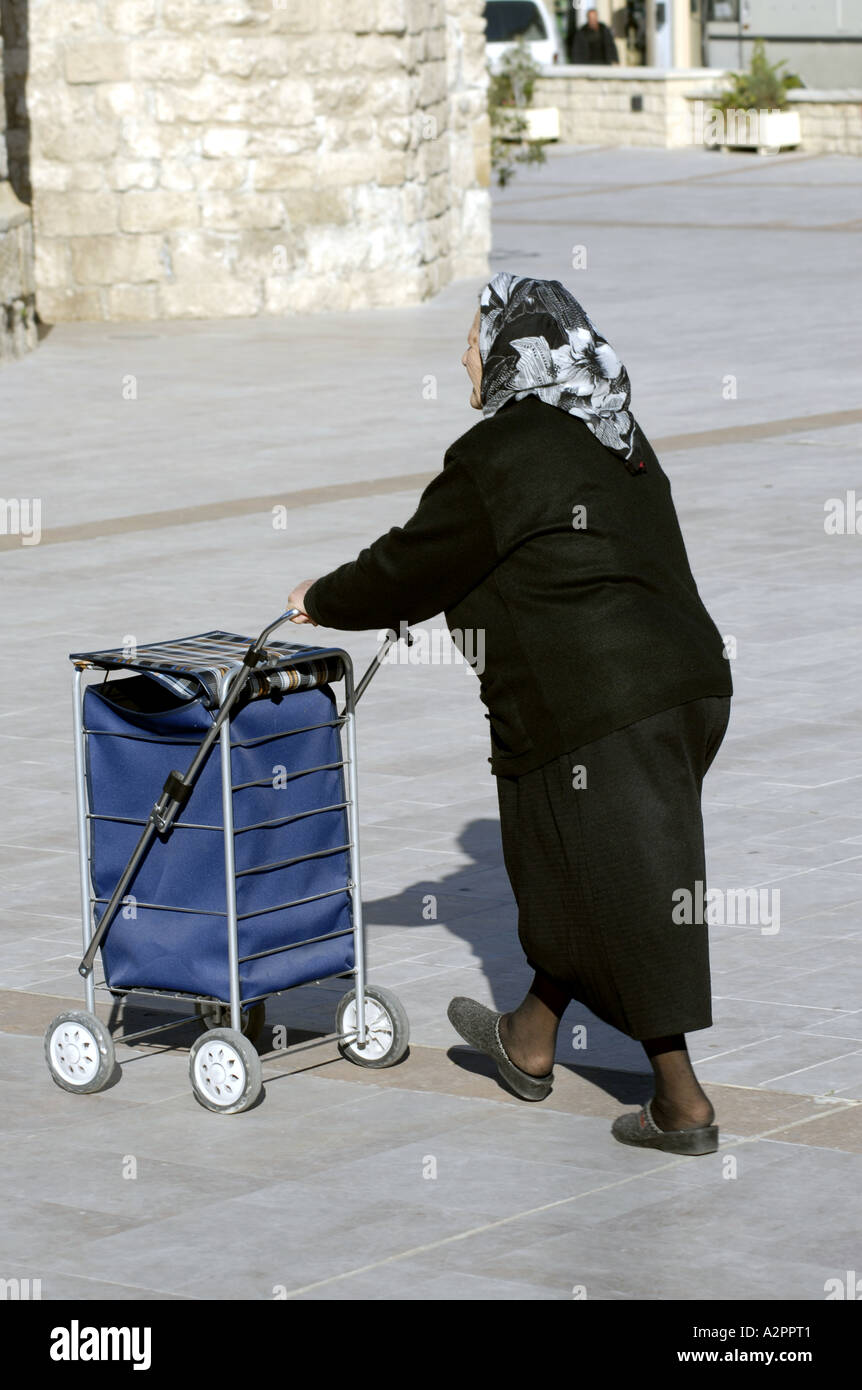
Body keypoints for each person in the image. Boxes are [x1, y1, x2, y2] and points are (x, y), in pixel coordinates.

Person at [286, 272, 732, 1156]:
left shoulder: (502, 452)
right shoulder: (615, 429)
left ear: (512, 350)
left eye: (473, 340)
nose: (463, 356)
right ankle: (528, 1040)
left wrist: (322, 599)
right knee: (577, 868)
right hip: (685, 689)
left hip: (603, 708)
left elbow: (413, 561)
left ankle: (683, 1105)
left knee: (632, 893)